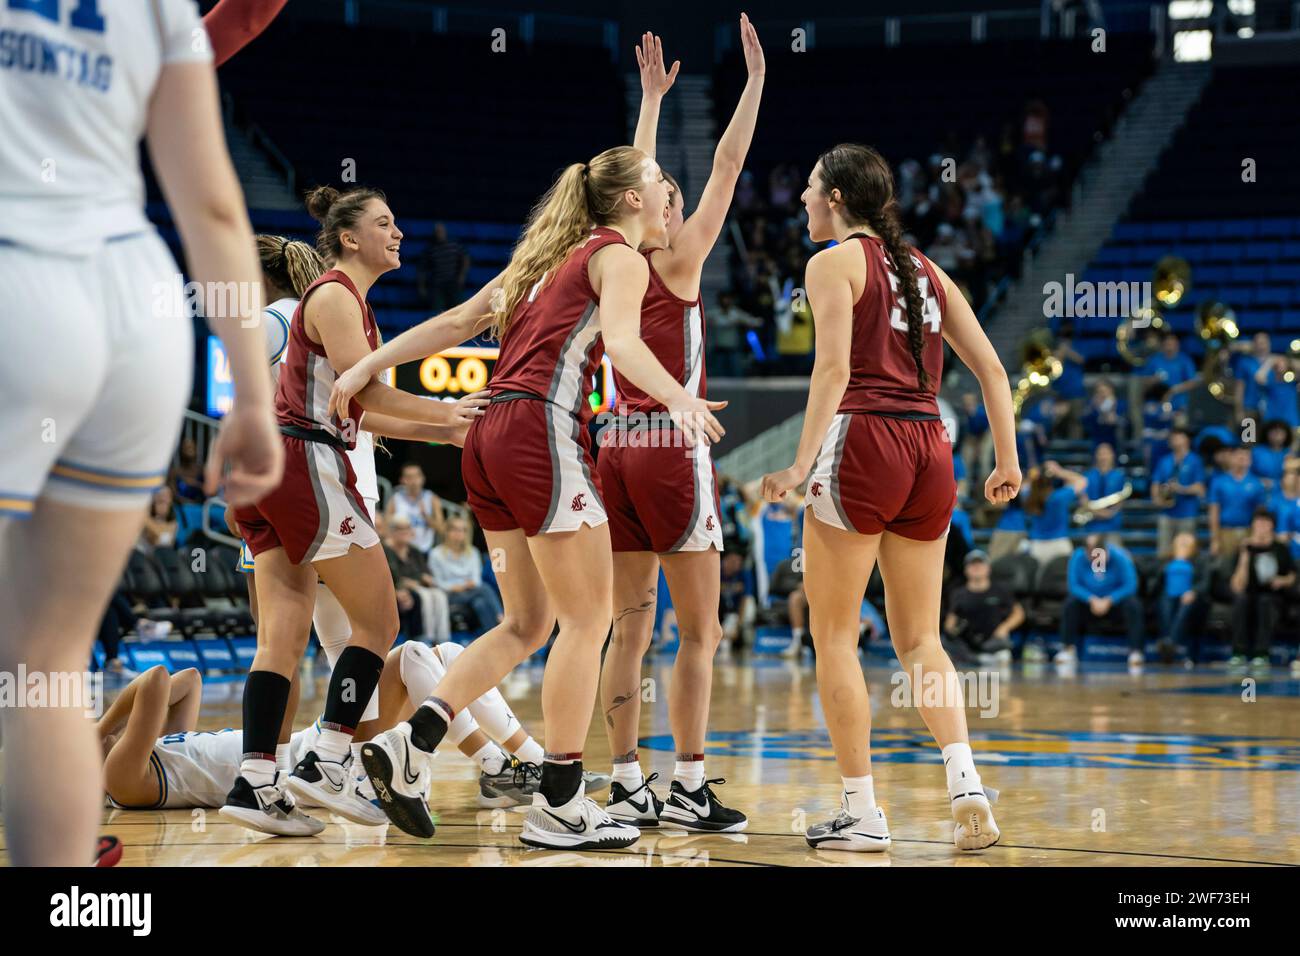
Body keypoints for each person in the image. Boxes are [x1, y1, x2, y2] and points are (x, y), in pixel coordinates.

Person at [330, 144, 721, 850]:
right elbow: (628, 349)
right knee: (586, 619)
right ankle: (562, 800)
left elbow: (456, 322)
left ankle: (410, 745)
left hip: (488, 438)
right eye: (664, 190)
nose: (673, 202)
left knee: (526, 624)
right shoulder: (620, 258)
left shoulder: (545, 262)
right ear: (633, 200)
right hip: (542, 431)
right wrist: (678, 396)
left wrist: (367, 364)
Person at [0, 0, 286, 866]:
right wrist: (250, 395)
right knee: (44, 661)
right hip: (139, 304)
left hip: (20, 277)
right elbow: (213, 205)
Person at [761, 143, 1018, 853]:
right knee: (920, 639)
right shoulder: (928, 270)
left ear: (838, 197)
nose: (805, 201)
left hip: (864, 443)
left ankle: (862, 812)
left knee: (835, 635)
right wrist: (1007, 460)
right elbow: (994, 371)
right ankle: (966, 782)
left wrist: (798, 463)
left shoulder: (830, 263)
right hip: (930, 447)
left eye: (812, 189)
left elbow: (835, 369)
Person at [224, 186, 486, 835]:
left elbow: (361, 411)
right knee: (379, 622)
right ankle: (328, 760)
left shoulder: (343, 300)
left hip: (271, 471)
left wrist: (443, 432)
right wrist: (445, 412)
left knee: (280, 638)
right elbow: (361, 389)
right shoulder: (337, 295)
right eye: (384, 223)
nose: (397, 233)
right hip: (305, 464)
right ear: (348, 238)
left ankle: (256, 781)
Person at [597, 19, 762, 833]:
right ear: (660, 209)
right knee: (699, 632)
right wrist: (757, 83)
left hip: (612, 448)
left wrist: (652, 101)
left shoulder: (614, 254)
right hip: (667, 445)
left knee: (627, 629)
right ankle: (689, 784)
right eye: (669, 195)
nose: (677, 195)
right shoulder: (680, 255)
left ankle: (626, 780)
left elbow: (636, 176)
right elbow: (727, 164)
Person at [98, 647, 609, 818]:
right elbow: (156, 681)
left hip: (301, 751)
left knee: (450, 657)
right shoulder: (123, 780)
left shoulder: (146, 760)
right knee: (411, 657)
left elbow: (187, 682)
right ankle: (499, 768)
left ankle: (530, 763)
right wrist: (99, 731)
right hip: (313, 770)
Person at [1058, 534, 1143, 669]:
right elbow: (1073, 586)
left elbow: (1131, 585)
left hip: (1114, 604)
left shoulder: (1120, 557)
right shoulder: (1077, 557)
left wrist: (1110, 600)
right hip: (1089, 604)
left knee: (1133, 604)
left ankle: (1136, 651)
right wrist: (1091, 599)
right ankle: (1067, 649)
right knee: (1070, 603)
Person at [1227, 508, 1295, 669]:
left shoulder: (1280, 548)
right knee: (1241, 600)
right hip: (1248, 594)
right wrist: (1245, 555)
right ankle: (1238, 652)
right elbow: (1236, 585)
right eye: (1258, 523)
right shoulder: (1244, 547)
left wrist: (1282, 580)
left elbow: (1292, 576)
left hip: (1273, 595)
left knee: (1264, 601)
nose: (1262, 527)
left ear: (1272, 526)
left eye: (1266, 523)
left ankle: (1261, 653)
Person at [944, 550, 1023, 665]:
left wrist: (1004, 627)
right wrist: (953, 631)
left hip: (994, 643)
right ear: (966, 569)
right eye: (972, 564)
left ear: (988, 568)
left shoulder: (1000, 590)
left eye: (980, 563)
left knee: (1003, 657)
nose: (977, 567)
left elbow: (1019, 613)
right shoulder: (958, 593)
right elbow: (950, 621)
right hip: (968, 644)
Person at [428, 515, 503, 631]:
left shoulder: (473, 552)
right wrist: (455, 587)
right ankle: (501, 618)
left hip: (471, 591)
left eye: (463, 530)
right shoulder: (436, 554)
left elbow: (476, 579)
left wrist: (464, 586)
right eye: (455, 529)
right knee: (485, 589)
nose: (459, 533)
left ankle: (492, 634)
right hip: (449, 594)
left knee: (480, 603)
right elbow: (437, 582)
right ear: (447, 531)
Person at [384, 515, 451, 644]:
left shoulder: (414, 551)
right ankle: (426, 638)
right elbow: (392, 577)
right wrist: (407, 583)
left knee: (439, 595)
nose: (404, 532)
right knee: (424, 596)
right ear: (391, 531)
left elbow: (424, 573)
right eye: (400, 529)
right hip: (398, 589)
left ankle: (443, 639)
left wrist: (423, 579)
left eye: (407, 528)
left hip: (418, 586)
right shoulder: (386, 550)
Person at [1150, 426, 1206, 558]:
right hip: (1167, 513)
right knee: (1163, 552)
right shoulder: (1165, 461)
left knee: (1186, 553)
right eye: (1173, 437)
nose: (1175, 440)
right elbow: (1155, 482)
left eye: (1179, 436)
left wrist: (1181, 488)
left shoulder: (1195, 460)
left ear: (1187, 440)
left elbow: (1200, 489)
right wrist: (1157, 498)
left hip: (1187, 514)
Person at [1157, 532, 1211, 666]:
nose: (1183, 543)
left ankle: (1170, 642)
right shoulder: (1166, 560)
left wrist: (1193, 591)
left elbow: (1205, 583)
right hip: (1169, 597)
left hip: (1193, 598)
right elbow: (1157, 583)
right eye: (1180, 540)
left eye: (1187, 541)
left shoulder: (1201, 561)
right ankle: (1170, 643)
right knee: (1165, 602)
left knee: (1186, 604)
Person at [1208, 446, 1268, 558]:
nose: (1242, 458)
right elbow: (1214, 511)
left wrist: (1258, 535)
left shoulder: (1257, 484)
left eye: (1246, 456)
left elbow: (1260, 513)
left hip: (1249, 531)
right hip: (1225, 531)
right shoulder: (1219, 482)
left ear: (1250, 460)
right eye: (1239, 455)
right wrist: (1215, 539)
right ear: (1230, 458)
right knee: (1225, 568)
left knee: (1249, 567)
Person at [1024, 460, 1087, 564]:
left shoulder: (1029, 495)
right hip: (1059, 544)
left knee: (1039, 579)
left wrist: (1036, 473)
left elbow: (1023, 485)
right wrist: (1059, 471)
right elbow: (1082, 481)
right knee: (1064, 578)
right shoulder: (1059, 497)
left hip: (1037, 546)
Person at [387, 461, 445, 555]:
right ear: (402, 480)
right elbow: (387, 528)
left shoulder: (432, 499)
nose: (413, 481)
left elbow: (441, 529)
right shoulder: (395, 499)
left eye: (416, 476)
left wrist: (426, 516)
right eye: (409, 477)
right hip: (401, 551)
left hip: (424, 551)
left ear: (422, 478)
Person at [416, 222, 470, 312]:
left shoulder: (454, 245)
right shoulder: (430, 250)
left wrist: (462, 275)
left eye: (441, 231)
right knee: (438, 311)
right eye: (437, 231)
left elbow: (466, 258)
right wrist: (422, 287)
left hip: (453, 282)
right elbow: (422, 269)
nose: (439, 233)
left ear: (445, 232)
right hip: (437, 285)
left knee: (460, 308)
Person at [1081, 443, 1127, 547]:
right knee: (1096, 561)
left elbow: (1120, 502)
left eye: (1106, 453)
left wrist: (1107, 513)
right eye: (1101, 454)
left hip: (1112, 527)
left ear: (1112, 455)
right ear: (1096, 456)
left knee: (1113, 558)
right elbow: (1084, 500)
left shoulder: (1119, 477)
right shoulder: (1088, 476)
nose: (1103, 457)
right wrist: (1100, 513)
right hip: (1092, 527)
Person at [1145, 330, 1199, 412]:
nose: (1169, 347)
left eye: (1172, 344)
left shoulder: (1185, 360)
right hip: (1157, 400)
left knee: (1181, 420)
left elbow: (1193, 382)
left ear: (1177, 345)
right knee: (1148, 410)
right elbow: (1145, 380)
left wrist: (1173, 390)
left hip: (1179, 402)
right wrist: (1153, 380)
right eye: (1167, 344)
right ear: (1162, 345)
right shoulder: (1155, 359)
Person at [140, 486, 179, 552]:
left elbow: (167, 541)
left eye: (167, 497)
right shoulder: (144, 516)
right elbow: (157, 538)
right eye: (160, 502)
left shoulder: (174, 522)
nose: (164, 499)